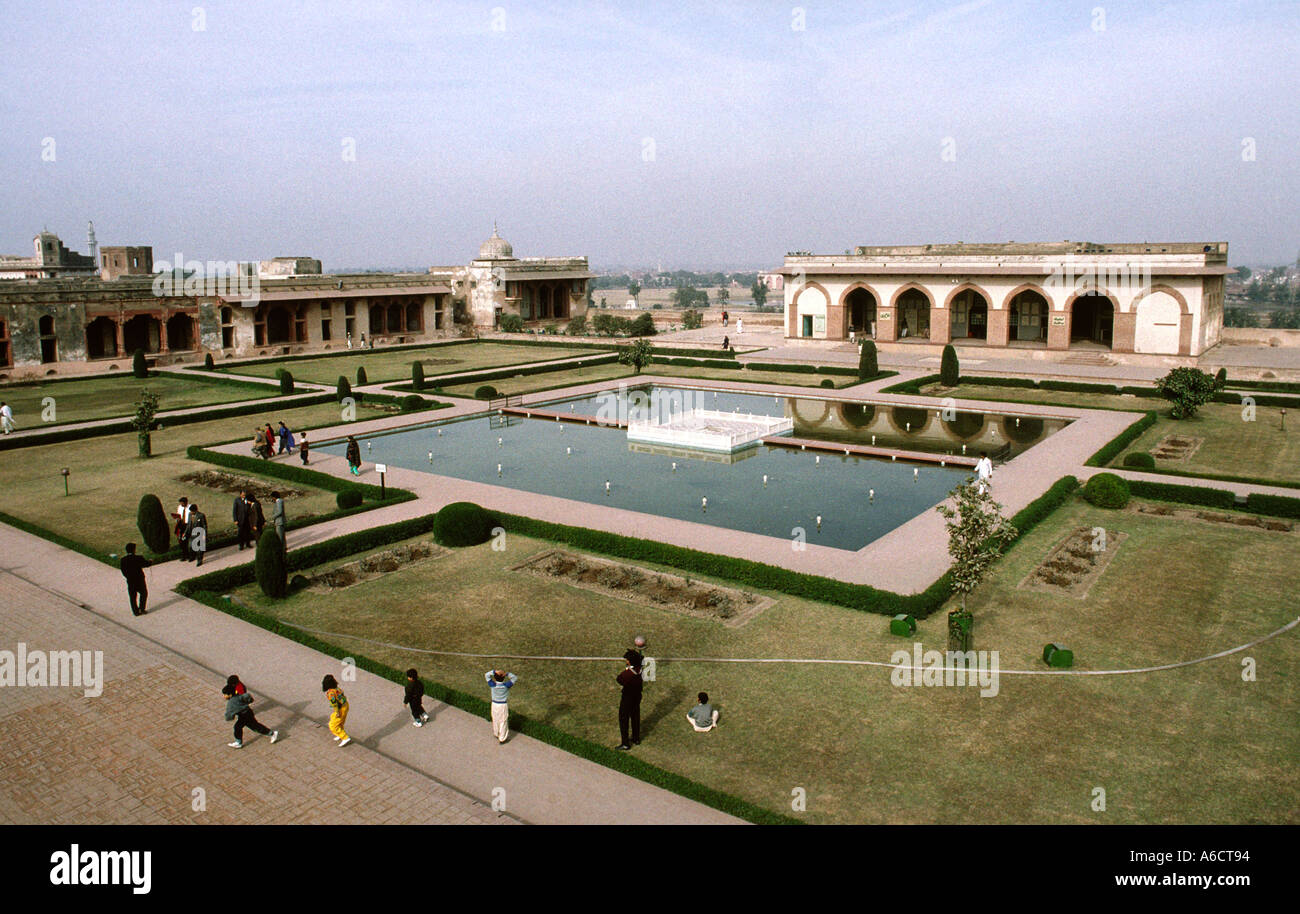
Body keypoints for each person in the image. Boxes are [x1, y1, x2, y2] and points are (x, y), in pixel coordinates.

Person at [223, 683, 278, 749]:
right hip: (248, 712)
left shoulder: (232, 702)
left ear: (230, 694)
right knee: (254, 726)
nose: (224, 696)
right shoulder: (239, 696)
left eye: (225, 694)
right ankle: (271, 733)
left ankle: (238, 742)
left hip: (244, 716)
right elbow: (247, 697)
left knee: (239, 727)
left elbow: (229, 713)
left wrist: (229, 718)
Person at [615, 652, 643, 750]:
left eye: (627, 660)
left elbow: (619, 679)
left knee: (623, 719)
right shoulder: (639, 669)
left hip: (628, 698)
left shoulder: (628, 673)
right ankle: (636, 738)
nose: (626, 661)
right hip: (637, 696)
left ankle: (625, 743)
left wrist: (627, 668)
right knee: (635, 716)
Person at [485, 669, 517, 744]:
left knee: (495, 718)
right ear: (503, 678)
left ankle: (496, 733)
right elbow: (514, 678)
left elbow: (486, 675)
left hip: (494, 704)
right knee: (503, 721)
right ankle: (502, 738)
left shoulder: (492, 685)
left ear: (495, 677)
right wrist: (507, 674)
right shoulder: (506, 685)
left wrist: (494, 671)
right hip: (502, 705)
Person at [119, 542, 151, 616]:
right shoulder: (139, 558)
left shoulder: (123, 560)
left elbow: (123, 571)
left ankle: (135, 612)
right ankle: (142, 609)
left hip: (130, 580)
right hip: (139, 580)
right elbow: (146, 564)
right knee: (144, 593)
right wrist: (150, 561)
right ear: (134, 550)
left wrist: (128, 577)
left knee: (132, 596)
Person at [322, 674, 351, 747]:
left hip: (340, 709)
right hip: (345, 705)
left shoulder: (330, 693)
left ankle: (344, 737)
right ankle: (339, 734)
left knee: (332, 725)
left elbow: (334, 703)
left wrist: (337, 712)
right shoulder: (337, 688)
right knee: (340, 722)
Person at [185, 502, 208, 566]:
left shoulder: (201, 515)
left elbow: (204, 525)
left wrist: (204, 534)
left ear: (195, 510)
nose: (191, 512)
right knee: (190, 547)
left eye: (192, 511)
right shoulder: (189, 514)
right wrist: (185, 532)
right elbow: (188, 524)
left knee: (199, 549)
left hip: (199, 533)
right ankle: (192, 557)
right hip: (192, 533)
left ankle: (199, 560)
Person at [174, 497, 192, 561]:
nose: (181, 504)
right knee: (181, 541)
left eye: (182, 503)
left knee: (186, 540)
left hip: (188, 525)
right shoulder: (179, 507)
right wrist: (177, 518)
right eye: (180, 503)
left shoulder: (190, 507)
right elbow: (178, 515)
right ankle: (184, 555)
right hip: (181, 525)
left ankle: (189, 555)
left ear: (186, 502)